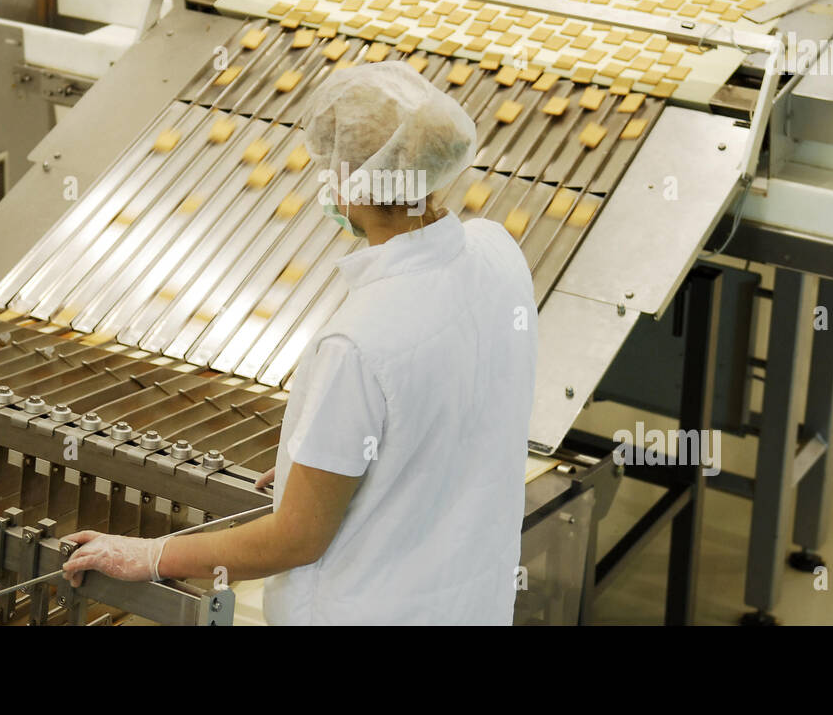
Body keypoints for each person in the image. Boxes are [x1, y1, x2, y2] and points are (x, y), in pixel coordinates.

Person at [62, 60, 538, 624]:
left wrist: (153, 555)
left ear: (351, 181)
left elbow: (295, 540)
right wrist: (318, 465)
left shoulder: (356, 341)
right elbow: (458, 398)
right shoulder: (497, 250)